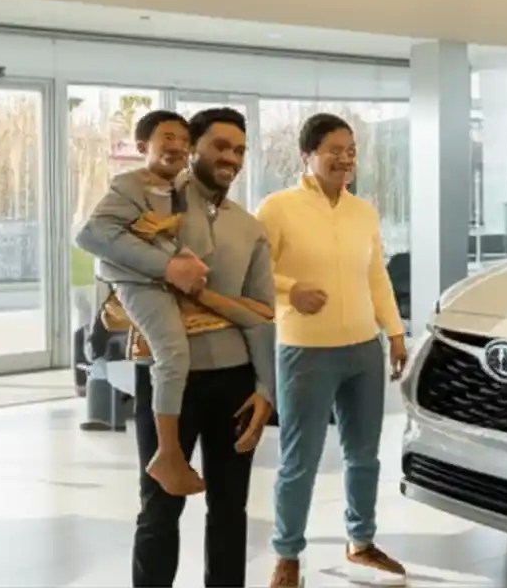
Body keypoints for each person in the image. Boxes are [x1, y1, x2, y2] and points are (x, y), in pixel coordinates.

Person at [76, 107, 277, 588]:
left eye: (239, 149)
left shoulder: (249, 228)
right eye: (220, 146)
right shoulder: (154, 201)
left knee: (230, 510)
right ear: (193, 148)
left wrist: (267, 389)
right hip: (167, 380)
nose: (230, 157)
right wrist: (168, 273)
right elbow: (104, 257)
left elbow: (264, 314)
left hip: (235, 383)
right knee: (159, 508)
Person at [255, 113, 408, 588]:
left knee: (364, 456)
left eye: (351, 150)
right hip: (305, 351)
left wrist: (396, 332)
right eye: (334, 150)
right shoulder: (277, 208)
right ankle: (287, 555)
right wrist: (289, 290)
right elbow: (252, 273)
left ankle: (361, 543)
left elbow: (375, 275)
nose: (345, 159)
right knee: (300, 459)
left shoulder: (363, 211)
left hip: (364, 349)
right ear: (308, 155)